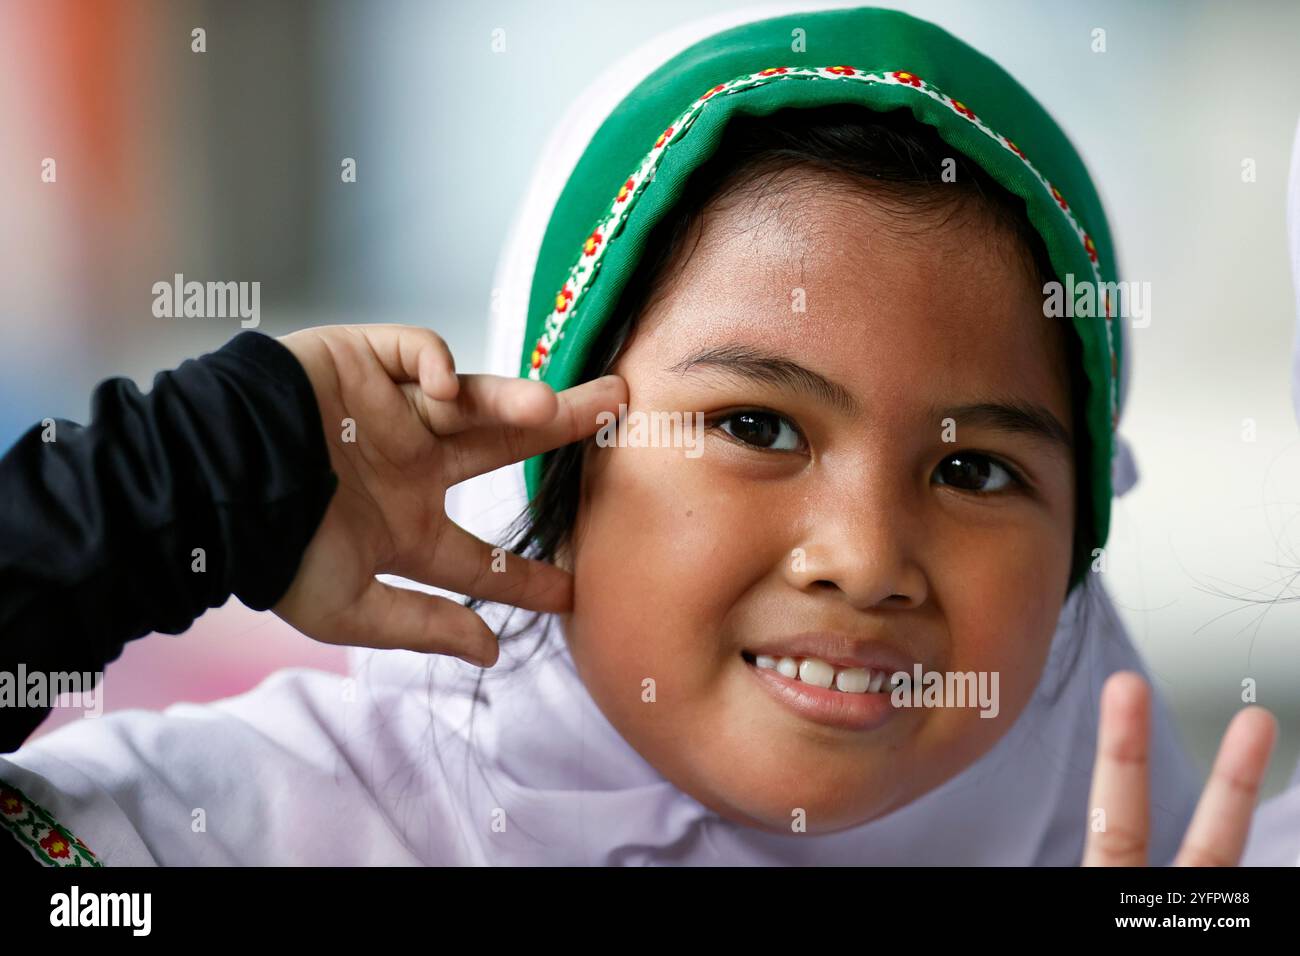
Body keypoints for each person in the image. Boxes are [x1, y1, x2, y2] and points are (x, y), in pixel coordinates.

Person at [0, 5, 1277, 866]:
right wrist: (186, 478)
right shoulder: (266, 830)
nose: (863, 554)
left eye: (973, 467)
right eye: (755, 423)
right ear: (553, 461)